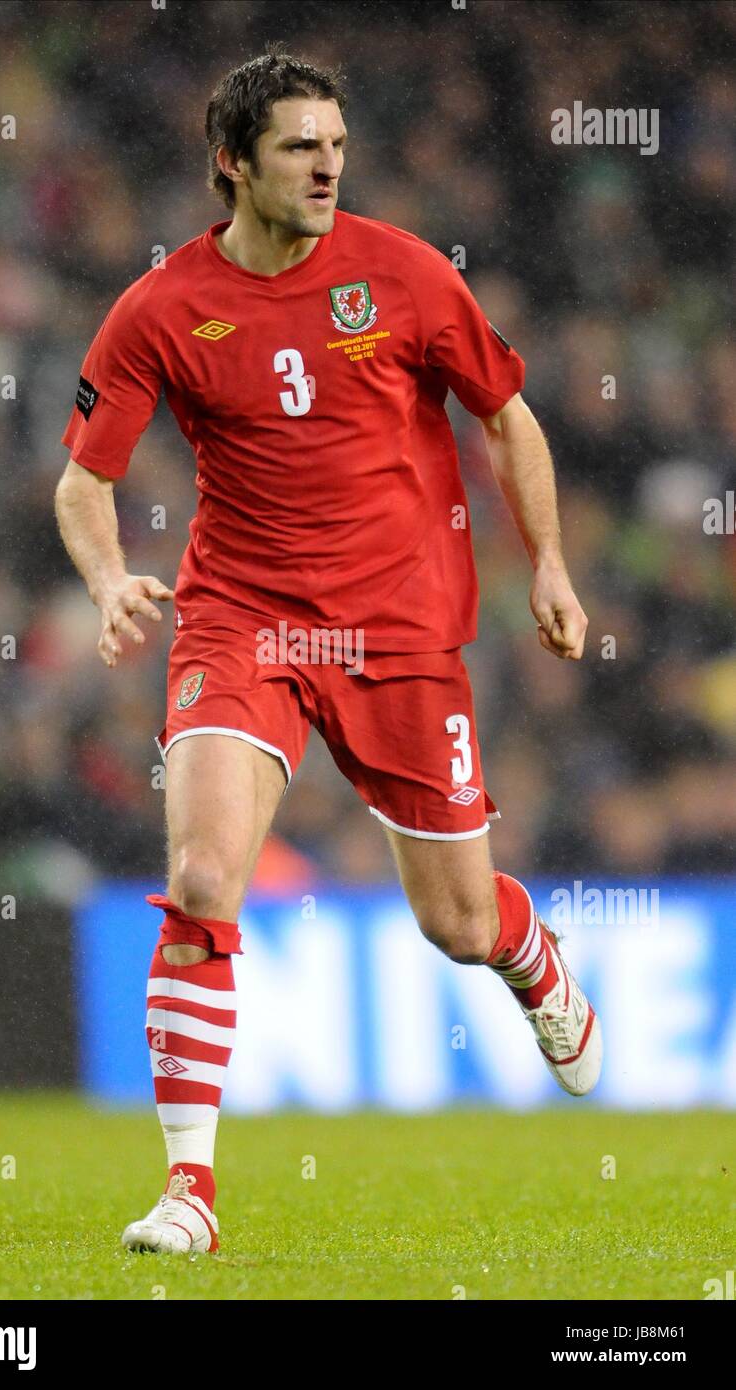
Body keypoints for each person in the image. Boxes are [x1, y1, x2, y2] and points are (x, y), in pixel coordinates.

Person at [55, 47, 601, 1257]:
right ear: (231, 164)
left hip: (398, 628)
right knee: (201, 882)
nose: (326, 167)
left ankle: (526, 948)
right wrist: (105, 579)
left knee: (455, 924)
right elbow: (82, 480)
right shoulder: (160, 307)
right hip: (240, 618)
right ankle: (188, 1193)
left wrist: (549, 563)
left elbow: (505, 416)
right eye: (300, 147)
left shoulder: (403, 275)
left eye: (336, 146)